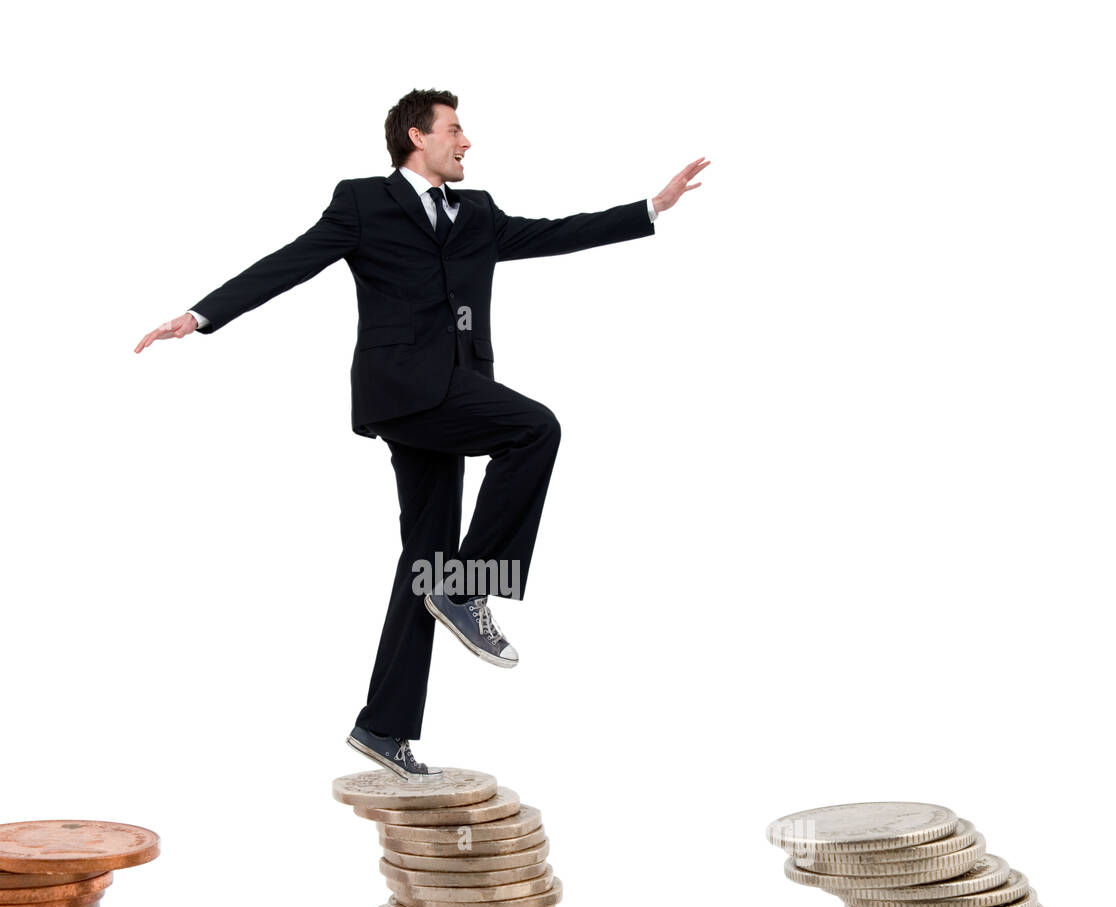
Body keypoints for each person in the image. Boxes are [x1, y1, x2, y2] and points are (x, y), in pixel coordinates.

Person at [136, 88, 708, 779]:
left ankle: (384, 726)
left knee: (426, 559)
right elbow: (290, 262)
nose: (467, 143)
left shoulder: (478, 213)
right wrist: (199, 315)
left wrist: (651, 208)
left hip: (452, 389)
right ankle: (469, 590)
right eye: (456, 130)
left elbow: (555, 233)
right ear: (418, 136)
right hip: (402, 389)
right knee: (534, 428)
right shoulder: (362, 203)